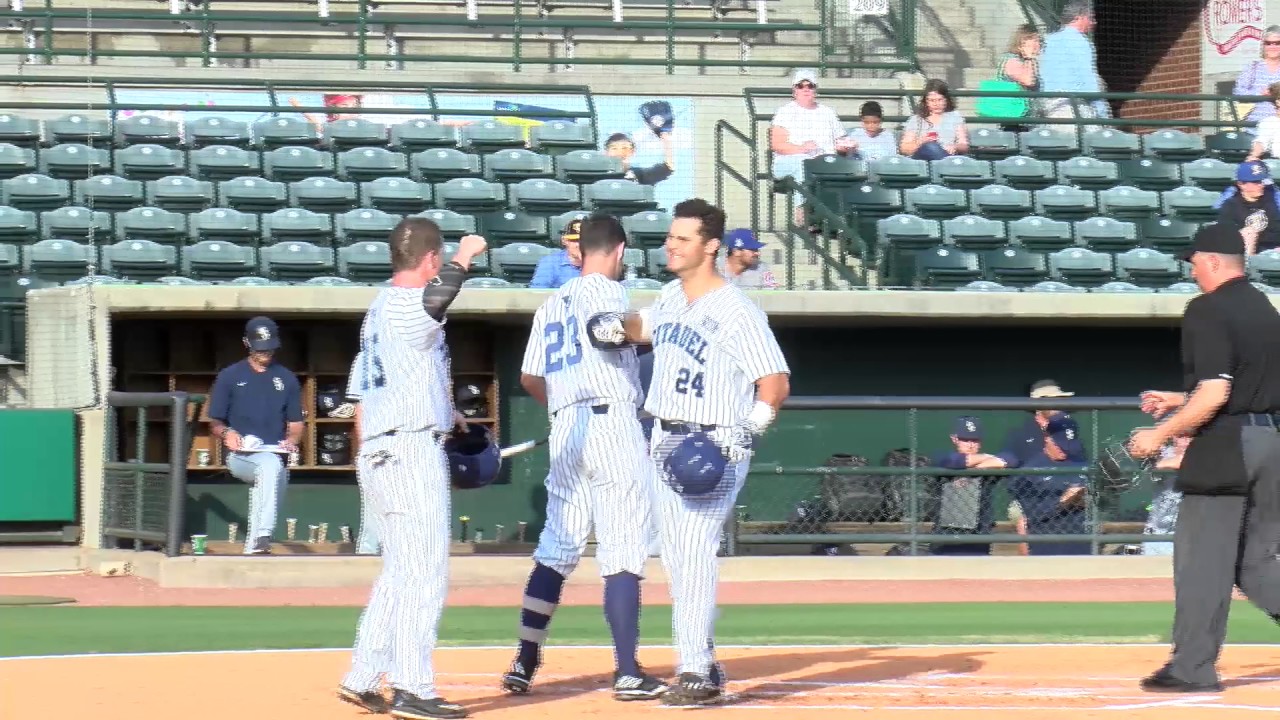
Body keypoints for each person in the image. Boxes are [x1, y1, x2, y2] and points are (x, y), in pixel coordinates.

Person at [589, 197, 791, 706]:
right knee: (678, 557)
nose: (671, 245)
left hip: (712, 441)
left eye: (682, 238)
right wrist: (616, 327)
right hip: (664, 436)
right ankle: (704, 660)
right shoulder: (671, 297)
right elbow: (645, 325)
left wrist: (746, 431)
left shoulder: (736, 309)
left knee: (693, 551)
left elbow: (775, 383)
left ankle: (696, 671)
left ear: (711, 246)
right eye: (670, 236)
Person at [499, 213, 666, 701]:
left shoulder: (550, 304)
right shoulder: (610, 292)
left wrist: (563, 406)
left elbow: (530, 379)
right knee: (623, 549)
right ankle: (628, 670)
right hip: (611, 421)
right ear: (619, 249)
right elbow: (611, 333)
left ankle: (524, 660)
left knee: (557, 548)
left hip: (567, 425)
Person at [335, 218, 486, 720]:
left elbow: (368, 392)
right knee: (424, 572)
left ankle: (363, 675)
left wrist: (448, 412)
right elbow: (436, 300)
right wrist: (466, 256)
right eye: (441, 258)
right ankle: (412, 687)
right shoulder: (406, 302)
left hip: (384, 445)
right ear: (431, 259)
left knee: (400, 572)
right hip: (408, 449)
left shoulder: (377, 310)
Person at [1128, 222, 1280, 693]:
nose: (1192, 271)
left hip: (1227, 447)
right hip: (1270, 442)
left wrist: (1159, 434)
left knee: (1201, 562)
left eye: (1194, 262)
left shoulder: (1207, 308)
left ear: (1213, 261)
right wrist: (1180, 400)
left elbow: (1216, 392)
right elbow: (1248, 387)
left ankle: (1192, 668)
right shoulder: (1265, 309)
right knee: (1256, 561)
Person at [207, 316, 303, 556]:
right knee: (270, 466)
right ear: (246, 343)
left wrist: (291, 441)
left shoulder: (286, 378)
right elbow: (215, 422)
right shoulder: (230, 376)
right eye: (260, 348)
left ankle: (255, 550)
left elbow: (296, 424)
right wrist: (227, 433)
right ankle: (263, 535)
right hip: (241, 455)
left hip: (275, 453)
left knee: (275, 471)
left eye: (269, 347)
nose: (265, 352)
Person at [769, 69, 856, 224]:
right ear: (794, 90)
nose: (806, 89)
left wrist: (845, 146)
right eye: (801, 86)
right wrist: (801, 148)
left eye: (810, 86)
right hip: (790, 161)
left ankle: (843, 217)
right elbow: (777, 145)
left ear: (815, 89)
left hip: (824, 161)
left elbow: (840, 140)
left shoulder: (827, 112)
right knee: (804, 164)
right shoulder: (785, 112)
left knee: (851, 166)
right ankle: (803, 214)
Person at [930, 416, 1012, 556]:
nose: (970, 444)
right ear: (954, 439)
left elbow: (1010, 459)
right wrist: (986, 458)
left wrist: (974, 469)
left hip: (979, 534)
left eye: (975, 440)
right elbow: (953, 461)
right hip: (946, 533)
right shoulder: (941, 457)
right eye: (965, 439)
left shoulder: (988, 467)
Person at [1038, 0, 1107, 131]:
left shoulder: (1048, 40)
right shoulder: (1081, 42)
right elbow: (1088, 80)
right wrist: (1102, 112)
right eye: (1091, 18)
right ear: (1079, 17)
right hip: (1075, 108)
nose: (1094, 22)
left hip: (1050, 107)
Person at [345, 351, 381, 556]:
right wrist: (365, 447)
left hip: (419, 441)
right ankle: (367, 559)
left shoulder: (429, 350)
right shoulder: (368, 356)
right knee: (375, 512)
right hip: (381, 440)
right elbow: (362, 407)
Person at [1213, 160, 1279, 254]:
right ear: (1241, 184)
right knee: (1248, 233)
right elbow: (1226, 235)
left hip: (1270, 250)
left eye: (1261, 182)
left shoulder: (1269, 201)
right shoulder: (1231, 205)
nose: (1261, 185)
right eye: (1256, 182)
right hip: (1241, 252)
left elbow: (1276, 231)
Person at [899, 79, 969, 161]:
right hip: (921, 158)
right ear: (926, 101)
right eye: (932, 100)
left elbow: (963, 145)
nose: (936, 104)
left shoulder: (955, 117)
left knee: (937, 150)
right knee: (931, 146)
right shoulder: (916, 119)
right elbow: (904, 149)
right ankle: (947, 163)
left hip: (947, 154)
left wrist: (955, 147)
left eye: (940, 100)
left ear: (946, 100)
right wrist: (921, 141)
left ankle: (946, 162)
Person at [994, 24, 1043, 133]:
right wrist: (1029, 58)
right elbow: (1028, 81)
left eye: (1039, 41)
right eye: (1034, 40)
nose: (1038, 44)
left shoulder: (1026, 61)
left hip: (1028, 119)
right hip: (1015, 118)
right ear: (1022, 42)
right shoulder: (1012, 60)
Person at [1233, 26, 1280, 133]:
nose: (1272, 47)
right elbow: (1238, 92)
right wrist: (1259, 94)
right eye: (1268, 43)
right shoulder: (1253, 67)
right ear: (1263, 46)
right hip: (1254, 128)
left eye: (1277, 43)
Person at [529, 219, 583, 289]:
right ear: (564, 241)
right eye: (574, 240)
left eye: (583, 240)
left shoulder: (595, 261)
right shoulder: (550, 262)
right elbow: (537, 291)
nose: (578, 245)